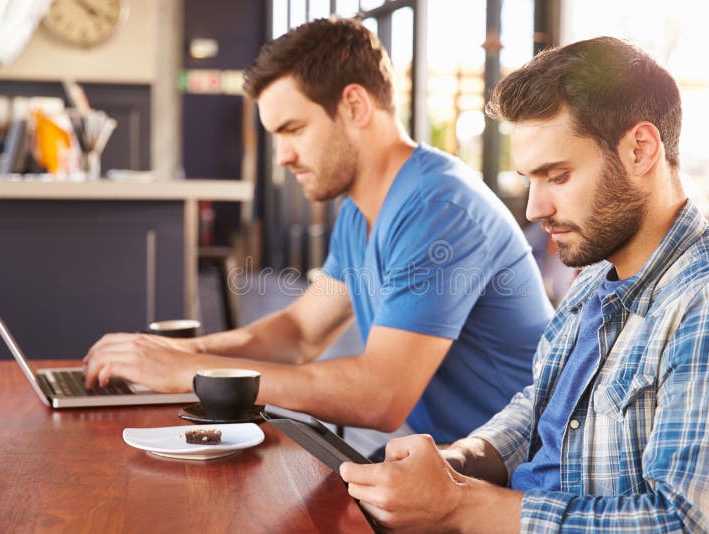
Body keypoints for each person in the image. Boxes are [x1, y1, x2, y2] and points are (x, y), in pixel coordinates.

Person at [340, 36, 709, 531]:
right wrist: (459, 462)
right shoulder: (596, 274)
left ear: (640, 150)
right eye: (530, 178)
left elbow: (689, 524)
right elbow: (542, 406)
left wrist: (459, 507)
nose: (534, 208)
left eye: (558, 176)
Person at [83, 18, 552, 454]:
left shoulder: (437, 206)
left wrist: (194, 372)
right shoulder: (360, 211)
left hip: (519, 471)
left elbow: (380, 395)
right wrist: (179, 353)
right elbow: (298, 332)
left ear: (354, 106)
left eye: (294, 129)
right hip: (455, 458)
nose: (283, 156)